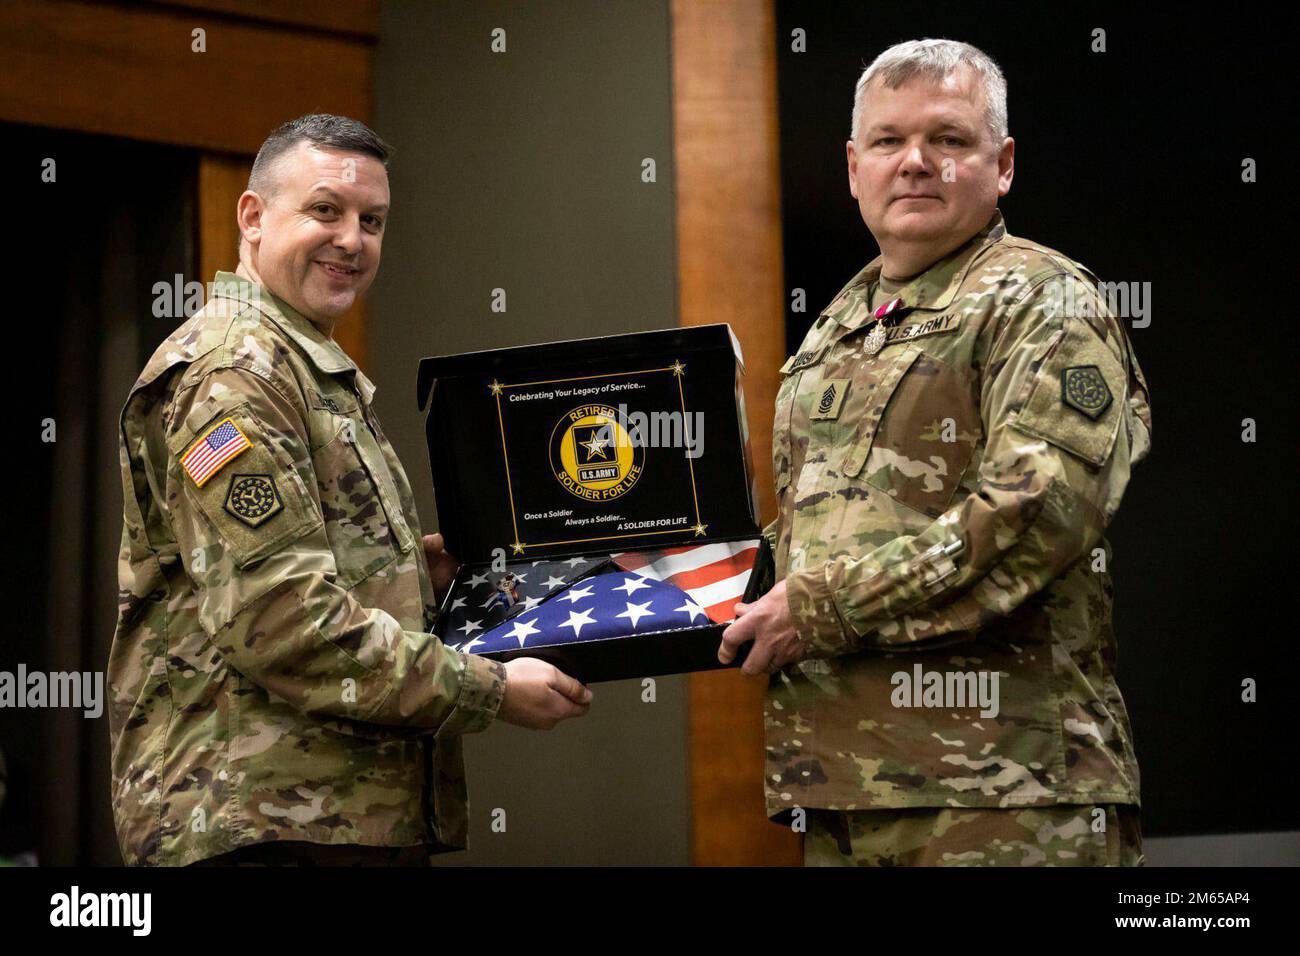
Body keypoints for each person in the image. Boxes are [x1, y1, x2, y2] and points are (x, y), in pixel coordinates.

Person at [108, 114, 591, 867]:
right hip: (262, 823)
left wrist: (416, 578)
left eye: (372, 221)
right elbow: (281, 622)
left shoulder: (300, 367)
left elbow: (293, 577)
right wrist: (489, 688)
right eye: (325, 210)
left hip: (327, 817)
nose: (352, 241)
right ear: (253, 216)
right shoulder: (235, 373)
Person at [719, 40, 1151, 866]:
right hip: (846, 791)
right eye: (888, 141)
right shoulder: (842, 322)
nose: (915, 162)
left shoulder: (1044, 302)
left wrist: (816, 609)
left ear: (1003, 164)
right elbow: (818, 540)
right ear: (854, 167)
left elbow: (1036, 515)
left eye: (948, 139)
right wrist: (661, 589)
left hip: (1007, 798)